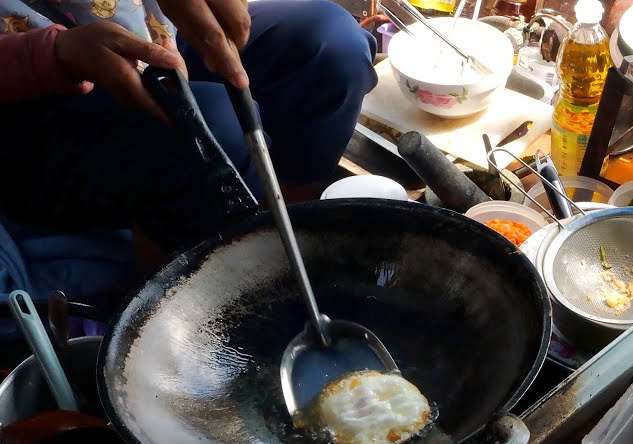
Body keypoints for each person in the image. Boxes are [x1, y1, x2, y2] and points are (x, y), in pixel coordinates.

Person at [0, 0, 377, 323]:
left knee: (329, 46)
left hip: (147, 37)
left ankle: (283, 249)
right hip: (27, 97)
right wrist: (54, 54)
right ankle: (176, 320)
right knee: (206, 130)